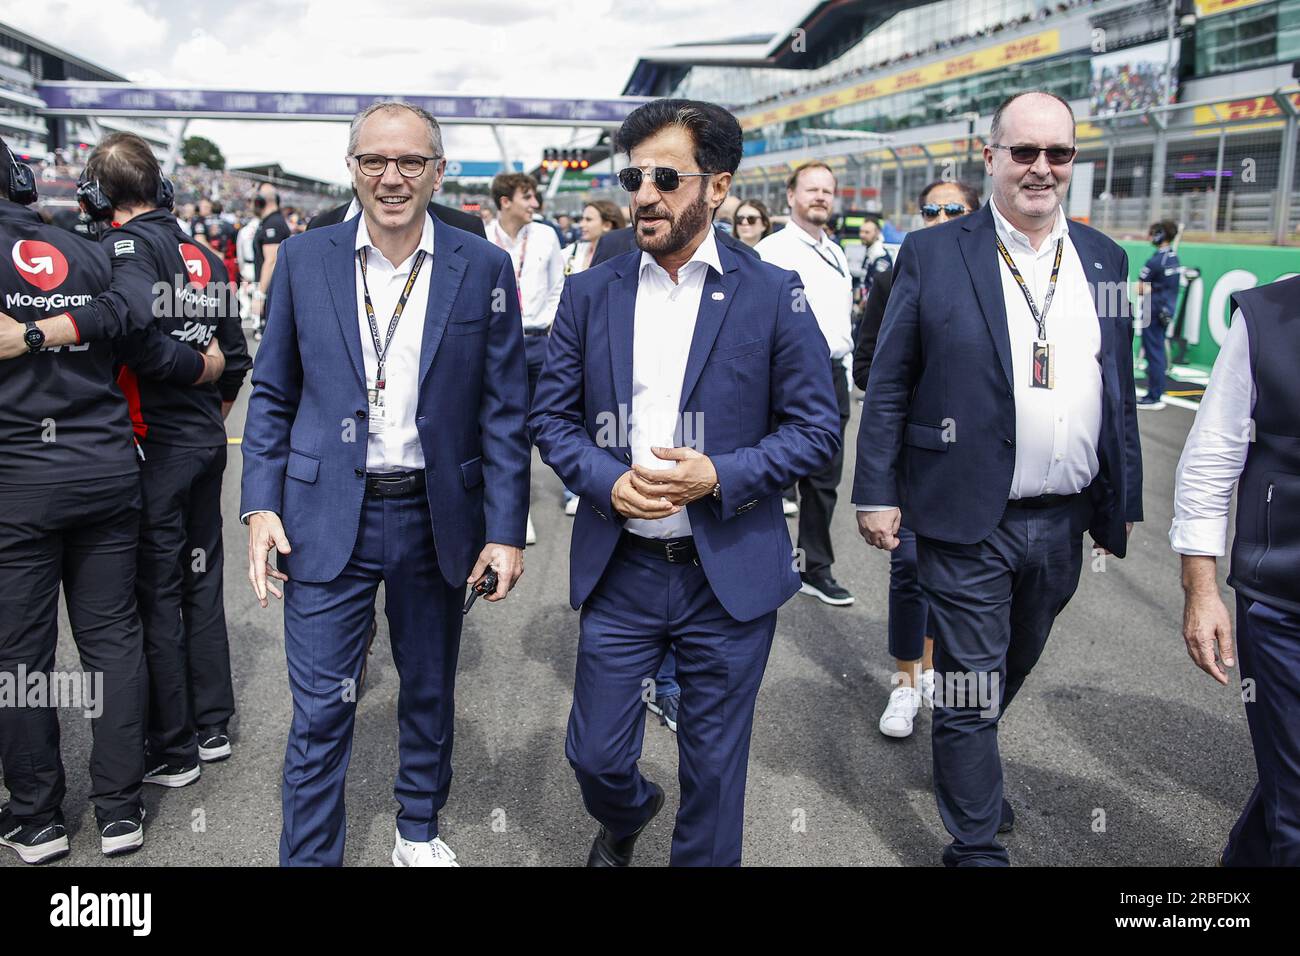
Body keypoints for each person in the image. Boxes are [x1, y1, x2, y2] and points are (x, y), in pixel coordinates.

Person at [530, 98, 840, 867]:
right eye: (633, 176)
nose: (643, 193)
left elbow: (817, 429)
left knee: (714, 771)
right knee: (595, 756)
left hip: (728, 573)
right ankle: (629, 811)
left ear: (718, 187)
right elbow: (551, 418)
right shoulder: (589, 293)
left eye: (667, 176)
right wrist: (605, 481)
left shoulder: (773, 294)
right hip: (623, 569)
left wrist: (721, 475)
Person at [854, 91, 1143, 866]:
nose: (1041, 168)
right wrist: (875, 488)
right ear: (990, 158)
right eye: (1024, 152)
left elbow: (1117, 384)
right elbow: (889, 382)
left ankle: (962, 747)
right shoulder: (934, 253)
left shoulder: (1106, 260)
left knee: (1006, 665)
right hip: (963, 511)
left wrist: (1124, 501)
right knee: (974, 676)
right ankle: (975, 842)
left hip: (1064, 519)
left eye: (1059, 154)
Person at [240, 101, 530, 867]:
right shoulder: (306, 260)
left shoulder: (484, 268)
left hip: (436, 516)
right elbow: (271, 392)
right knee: (319, 712)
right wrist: (260, 504)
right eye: (374, 160)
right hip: (321, 514)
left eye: (409, 162)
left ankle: (417, 830)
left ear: (439, 171)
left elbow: (505, 410)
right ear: (352, 168)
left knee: (428, 692)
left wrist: (504, 529)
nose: (391, 177)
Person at [0, 137, 217, 862]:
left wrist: (29, 333)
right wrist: (206, 366)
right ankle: (120, 809)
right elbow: (132, 321)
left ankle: (37, 818)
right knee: (113, 639)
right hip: (105, 470)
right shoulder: (93, 250)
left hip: (19, 483)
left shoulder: (101, 247)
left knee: (21, 657)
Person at [74, 133, 252, 790]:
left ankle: (172, 745)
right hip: (204, 444)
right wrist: (208, 415)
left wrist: (184, 381)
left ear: (97, 196)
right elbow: (235, 360)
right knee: (201, 585)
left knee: (156, 594)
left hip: (152, 450)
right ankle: (211, 725)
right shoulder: (208, 254)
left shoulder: (121, 248)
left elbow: (130, 331)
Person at [1172, 274, 1300, 866]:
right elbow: (1213, 452)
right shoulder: (1267, 314)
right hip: (1281, 607)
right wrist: (1201, 587)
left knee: (1286, 792)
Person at [852, 179, 979, 738]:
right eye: (930, 209)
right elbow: (866, 366)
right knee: (909, 569)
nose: (940, 216)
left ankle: (935, 669)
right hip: (911, 450)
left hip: (976, 456)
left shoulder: (996, 277)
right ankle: (906, 682)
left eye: (954, 209)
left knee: (961, 574)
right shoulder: (891, 274)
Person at [756, 162, 856, 607]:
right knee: (768, 473)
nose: (820, 197)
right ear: (791, 195)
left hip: (833, 375)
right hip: (787, 375)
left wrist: (847, 373)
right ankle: (755, 563)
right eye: (812, 189)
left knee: (824, 481)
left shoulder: (835, 252)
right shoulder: (773, 250)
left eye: (827, 191)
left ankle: (815, 566)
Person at [486, 171, 565, 541]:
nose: (535, 204)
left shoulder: (547, 236)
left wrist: (548, 325)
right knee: (506, 425)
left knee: (549, 419)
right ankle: (516, 512)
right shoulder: (482, 235)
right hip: (497, 342)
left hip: (537, 341)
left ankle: (574, 488)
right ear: (506, 202)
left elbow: (557, 287)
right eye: (527, 197)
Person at [1137, 219, 1181, 410]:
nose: (1149, 236)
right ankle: (1156, 391)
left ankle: (1154, 395)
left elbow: (1140, 288)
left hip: (1153, 311)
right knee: (1158, 351)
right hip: (1166, 310)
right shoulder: (1173, 258)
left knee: (1154, 352)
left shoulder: (1156, 261)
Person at [249, 183, 288, 338]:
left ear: (260, 201)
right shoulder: (269, 222)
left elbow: (271, 260)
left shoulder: (274, 223)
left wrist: (260, 295)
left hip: (271, 292)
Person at [562, 199, 625, 278]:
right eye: (582, 219)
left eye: (588, 220)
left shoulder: (624, 256)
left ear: (607, 225)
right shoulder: (573, 250)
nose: (581, 224)